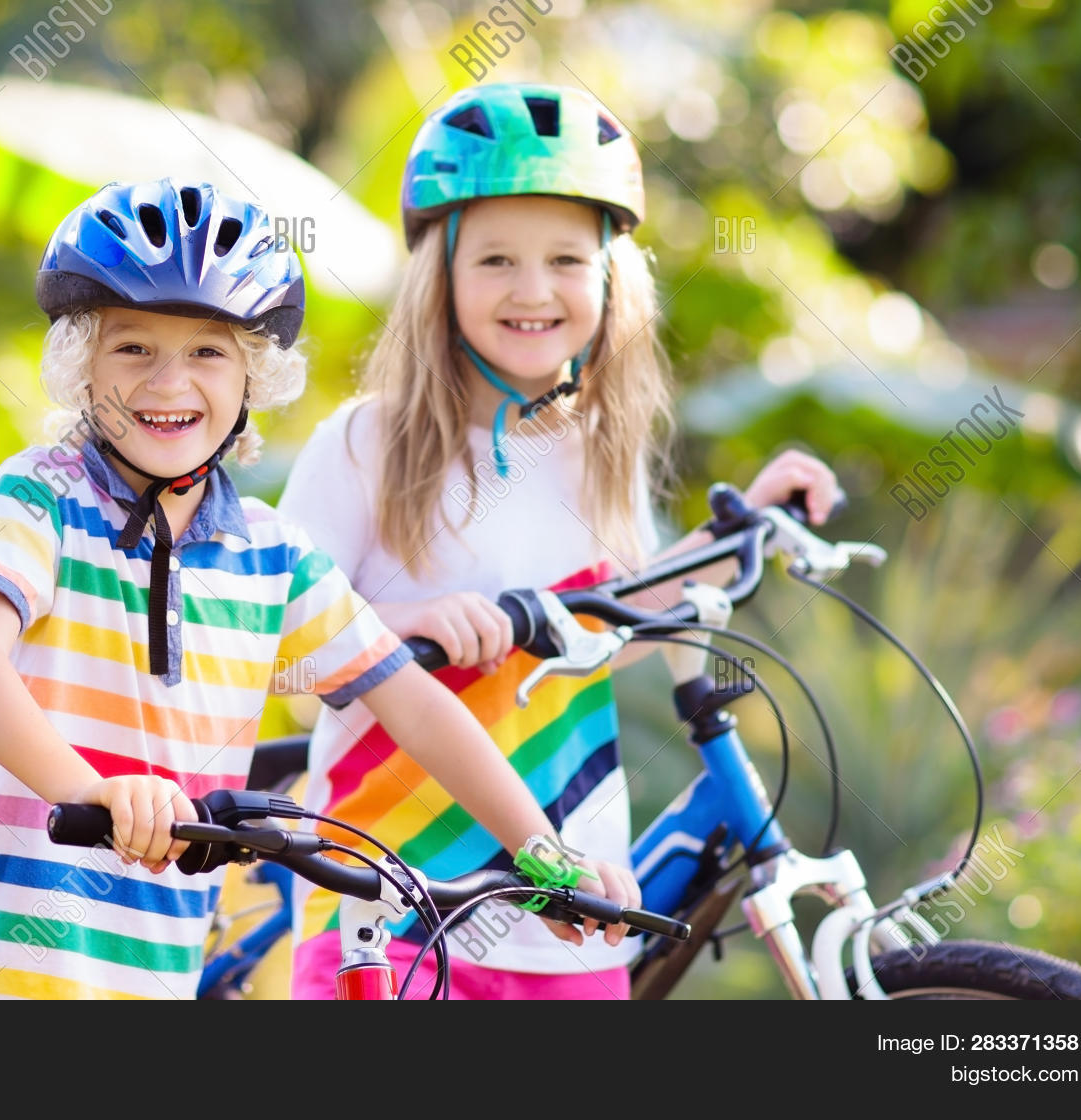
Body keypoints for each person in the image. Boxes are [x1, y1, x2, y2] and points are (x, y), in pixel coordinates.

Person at [0, 177, 628, 1000]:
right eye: (133, 348)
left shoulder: (272, 556)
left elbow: (415, 704)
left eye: (208, 352)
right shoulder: (38, 497)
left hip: (152, 982)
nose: (170, 384)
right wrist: (89, 788)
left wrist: (542, 851)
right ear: (80, 363)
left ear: (255, 379)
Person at [279, 83, 840, 1000]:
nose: (533, 290)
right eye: (495, 258)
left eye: (566, 259)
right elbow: (269, 647)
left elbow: (623, 623)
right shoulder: (365, 444)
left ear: (612, 275)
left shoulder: (596, 450)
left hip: (569, 920)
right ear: (440, 275)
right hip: (392, 910)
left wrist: (736, 528)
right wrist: (399, 620)